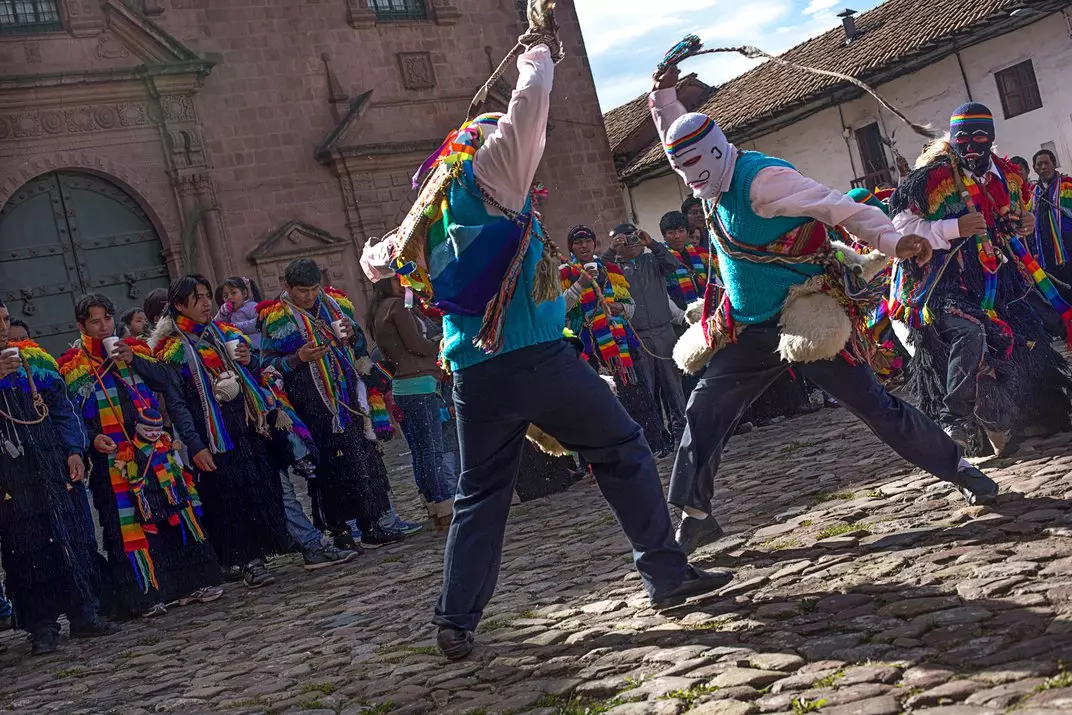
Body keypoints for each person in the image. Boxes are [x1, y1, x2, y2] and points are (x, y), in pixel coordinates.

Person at [362, 31, 732, 662]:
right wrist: (536, 52)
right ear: (482, 150)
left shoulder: (426, 217)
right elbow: (528, 106)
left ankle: (455, 620)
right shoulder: (493, 182)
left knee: (481, 493)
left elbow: (375, 264)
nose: (525, 149)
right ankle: (666, 575)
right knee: (621, 448)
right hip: (537, 358)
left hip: (474, 375)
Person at [650, 67, 999, 554]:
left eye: (692, 170)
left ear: (712, 153)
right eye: (681, 171)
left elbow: (841, 208)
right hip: (747, 324)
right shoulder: (705, 172)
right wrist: (662, 93)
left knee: (873, 404)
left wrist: (895, 241)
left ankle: (959, 468)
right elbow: (676, 132)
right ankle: (696, 514)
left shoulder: (764, 181)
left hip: (804, 316)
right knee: (703, 407)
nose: (689, 183)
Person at [889, 104, 1072, 455]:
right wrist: (952, 228)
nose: (970, 145)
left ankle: (1036, 416)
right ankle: (959, 424)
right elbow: (901, 230)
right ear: (952, 139)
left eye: (978, 137)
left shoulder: (1006, 176)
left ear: (991, 138)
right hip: (944, 281)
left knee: (1026, 339)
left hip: (999, 278)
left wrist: (1026, 222)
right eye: (962, 138)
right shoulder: (931, 178)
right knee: (966, 336)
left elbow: (1015, 214)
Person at [58, 294, 223, 619]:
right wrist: (92, 439)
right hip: (114, 462)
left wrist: (134, 359)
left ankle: (193, 583)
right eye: (95, 321)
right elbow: (72, 414)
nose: (103, 325)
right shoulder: (72, 365)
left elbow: (165, 382)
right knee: (130, 525)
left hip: (155, 453)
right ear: (81, 326)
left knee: (172, 514)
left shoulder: (136, 349)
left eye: (107, 318)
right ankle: (148, 594)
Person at [150, 275, 292, 588]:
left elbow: (254, 373)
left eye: (206, 296)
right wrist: (196, 444)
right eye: (196, 298)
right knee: (229, 499)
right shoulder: (173, 351)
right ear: (178, 306)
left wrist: (248, 359)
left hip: (245, 427)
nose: (205, 303)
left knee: (258, 489)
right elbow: (177, 404)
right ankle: (247, 560)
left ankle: (262, 552)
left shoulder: (224, 333)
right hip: (213, 436)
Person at [258, 259, 404, 550]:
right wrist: (298, 358)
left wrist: (353, 335)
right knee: (330, 468)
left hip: (349, 397)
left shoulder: (336, 305)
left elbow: (359, 345)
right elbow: (267, 367)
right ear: (287, 287)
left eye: (314, 289)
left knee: (364, 459)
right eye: (302, 291)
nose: (310, 296)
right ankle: (340, 531)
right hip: (312, 403)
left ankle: (371, 524)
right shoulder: (275, 319)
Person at [0, 298, 118, 653]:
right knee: (28, 549)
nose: (3, 326)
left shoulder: (35, 358)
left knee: (75, 539)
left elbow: (64, 410)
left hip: (54, 468)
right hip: (11, 481)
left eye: (4, 319)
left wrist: (73, 450)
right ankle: (42, 626)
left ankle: (85, 614)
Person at [561, 224, 668, 456]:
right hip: (588, 347)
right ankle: (610, 453)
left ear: (594, 244)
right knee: (598, 404)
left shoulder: (610, 269)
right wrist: (581, 284)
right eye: (578, 242)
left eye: (587, 241)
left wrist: (618, 307)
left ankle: (651, 444)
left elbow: (630, 307)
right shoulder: (563, 274)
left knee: (636, 395)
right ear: (571, 247)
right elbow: (560, 310)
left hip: (621, 346)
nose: (584, 246)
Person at [372, 277, 457, 531]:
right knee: (432, 450)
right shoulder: (397, 306)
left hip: (405, 386)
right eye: (399, 278)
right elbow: (416, 343)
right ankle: (444, 506)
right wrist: (443, 342)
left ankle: (433, 505)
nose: (404, 282)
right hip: (419, 383)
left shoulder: (385, 306)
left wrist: (411, 289)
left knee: (421, 452)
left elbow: (414, 312)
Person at [603, 222, 688, 444]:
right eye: (623, 239)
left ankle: (681, 432)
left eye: (633, 237)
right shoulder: (613, 266)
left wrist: (652, 243)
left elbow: (673, 263)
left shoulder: (652, 260)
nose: (629, 242)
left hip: (663, 332)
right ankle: (658, 437)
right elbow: (598, 274)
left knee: (674, 388)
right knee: (647, 391)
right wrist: (612, 250)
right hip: (636, 335)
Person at [1031, 149, 1072, 304]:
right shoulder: (1032, 193)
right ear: (1034, 169)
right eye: (1039, 164)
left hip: (1068, 250)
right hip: (1046, 256)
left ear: (1054, 164)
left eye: (1046, 163)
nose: (1043, 167)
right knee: (1058, 296)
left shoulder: (1068, 184)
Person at [215, 276, 264, 348]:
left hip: (257, 350)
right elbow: (216, 325)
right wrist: (222, 315)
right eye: (225, 296)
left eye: (233, 293)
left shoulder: (251, 306)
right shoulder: (227, 312)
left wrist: (235, 326)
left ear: (244, 293)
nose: (229, 297)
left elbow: (260, 322)